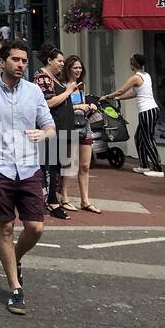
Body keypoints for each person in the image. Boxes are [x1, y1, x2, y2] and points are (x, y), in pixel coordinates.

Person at [0, 39, 56, 314]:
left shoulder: (33, 92)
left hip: (28, 167)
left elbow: (49, 124)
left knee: (35, 227)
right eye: (16, 59)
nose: (21, 65)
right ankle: (15, 288)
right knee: (5, 227)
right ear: (3, 61)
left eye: (25, 61)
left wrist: (44, 133)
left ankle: (14, 258)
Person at [33, 42, 76, 219]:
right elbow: (48, 102)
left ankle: (52, 199)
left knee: (57, 166)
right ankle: (50, 201)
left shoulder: (56, 78)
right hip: (51, 129)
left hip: (64, 129)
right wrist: (68, 91)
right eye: (59, 60)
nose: (61, 63)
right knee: (49, 166)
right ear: (49, 60)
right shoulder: (42, 77)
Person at [104, 54, 163, 176]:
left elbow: (121, 90)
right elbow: (135, 94)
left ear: (134, 64)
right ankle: (144, 165)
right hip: (151, 110)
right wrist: (119, 98)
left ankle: (158, 168)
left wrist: (108, 96)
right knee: (139, 137)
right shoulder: (146, 76)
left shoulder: (135, 77)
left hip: (147, 111)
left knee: (148, 139)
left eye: (130, 62)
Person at [61, 55, 101, 213]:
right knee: (67, 164)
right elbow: (62, 107)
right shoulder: (63, 86)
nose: (78, 70)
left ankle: (85, 200)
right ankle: (64, 197)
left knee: (85, 166)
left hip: (85, 127)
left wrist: (90, 107)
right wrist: (79, 107)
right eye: (75, 67)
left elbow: (81, 107)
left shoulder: (81, 87)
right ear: (68, 68)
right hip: (70, 128)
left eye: (80, 68)